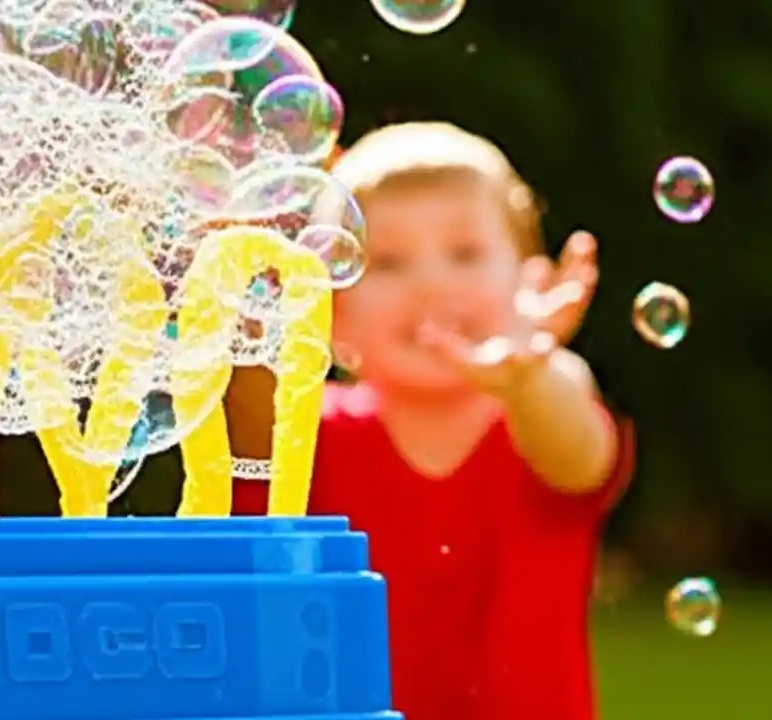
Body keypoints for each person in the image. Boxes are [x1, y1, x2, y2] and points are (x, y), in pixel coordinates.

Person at [228, 122, 635, 720]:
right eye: (387, 262)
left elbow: (578, 456)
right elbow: (250, 403)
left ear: (531, 282)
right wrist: (245, 305)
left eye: (466, 253)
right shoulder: (310, 437)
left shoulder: (544, 403)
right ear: (330, 312)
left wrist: (526, 374)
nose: (432, 284)